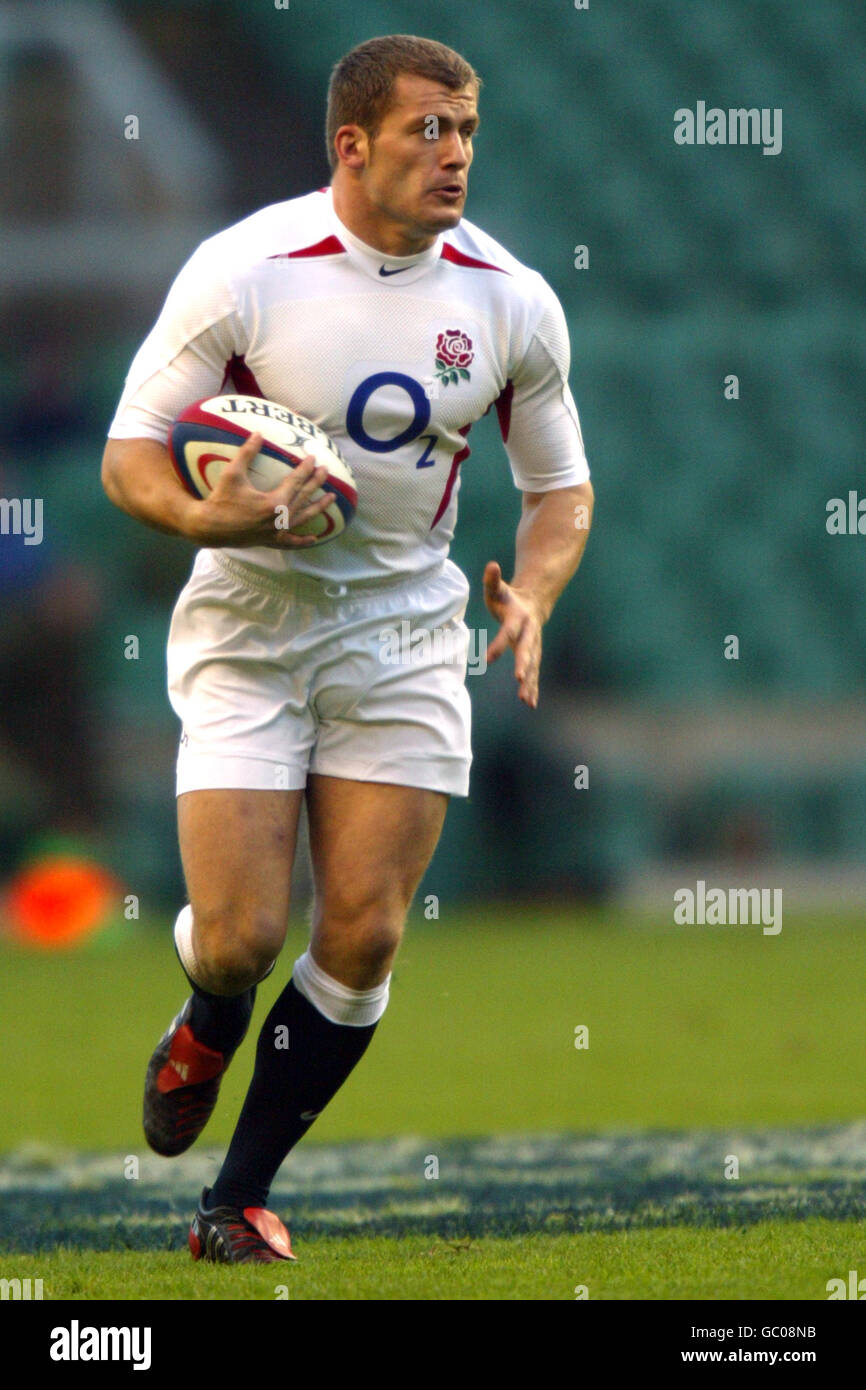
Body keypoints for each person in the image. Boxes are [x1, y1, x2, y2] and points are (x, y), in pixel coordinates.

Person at [101, 33, 594, 1264]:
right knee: (241, 939)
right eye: (428, 130)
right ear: (351, 143)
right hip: (252, 626)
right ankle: (208, 1013)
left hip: (405, 631)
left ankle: (237, 1198)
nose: (454, 155)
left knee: (365, 931)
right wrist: (212, 514)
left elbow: (560, 490)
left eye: (466, 131)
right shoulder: (245, 270)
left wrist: (532, 590)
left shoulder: (510, 298)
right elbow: (129, 456)